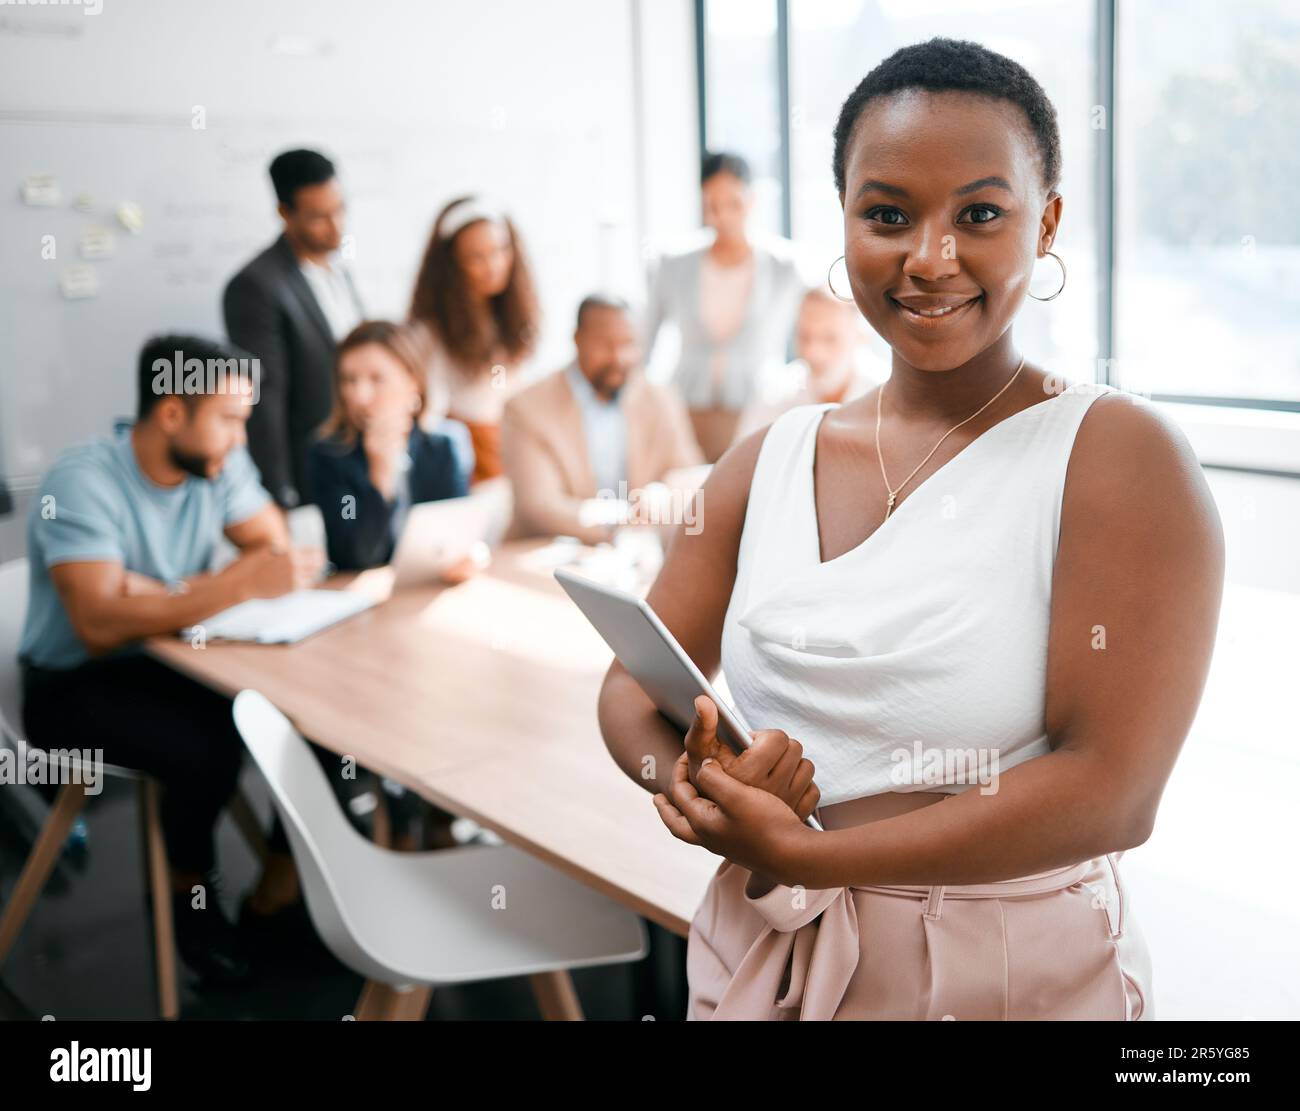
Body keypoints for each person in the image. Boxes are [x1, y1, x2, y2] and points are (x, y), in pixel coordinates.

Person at [599, 38, 1225, 1020]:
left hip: (1003, 974)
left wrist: (812, 852)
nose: (929, 259)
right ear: (843, 220)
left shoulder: (1118, 457)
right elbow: (630, 688)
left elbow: (1112, 792)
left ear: (1046, 222)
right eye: (887, 215)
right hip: (767, 952)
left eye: (979, 214)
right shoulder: (768, 458)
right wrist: (700, 782)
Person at [18, 334, 327, 984]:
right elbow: (99, 625)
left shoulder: (216, 464)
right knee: (205, 750)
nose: (241, 439)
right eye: (230, 419)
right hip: (69, 686)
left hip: (169, 658)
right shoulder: (82, 481)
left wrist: (165, 593)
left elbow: (274, 549)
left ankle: (279, 886)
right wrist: (229, 588)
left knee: (308, 715)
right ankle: (190, 896)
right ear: (171, 413)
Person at [500, 294, 704, 546]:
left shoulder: (660, 399)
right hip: (550, 551)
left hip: (638, 553)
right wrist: (621, 521)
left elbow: (688, 477)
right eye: (605, 345)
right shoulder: (527, 407)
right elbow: (539, 505)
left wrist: (660, 496)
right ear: (577, 340)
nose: (618, 357)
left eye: (628, 344)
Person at [642, 152, 807, 463]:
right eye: (712, 206)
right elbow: (644, 340)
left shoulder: (785, 267)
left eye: (734, 204)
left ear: (752, 200)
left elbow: (813, 332)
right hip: (687, 409)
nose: (723, 216)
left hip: (761, 407)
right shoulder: (672, 264)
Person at [223, 149, 364, 510]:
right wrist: (279, 492)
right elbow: (264, 398)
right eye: (319, 217)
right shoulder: (256, 286)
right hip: (308, 472)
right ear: (285, 213)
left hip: (355, 460)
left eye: (339, 209)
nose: (336, 226)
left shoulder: (341, 273)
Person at [307, 319, 481, 578]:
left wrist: (468, 555)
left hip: (427, 586)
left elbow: (456, 538)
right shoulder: (331, 457)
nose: (360, 396)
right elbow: (352, 557)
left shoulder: (445, 447)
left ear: (413, 381)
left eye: (377, 379)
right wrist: (380, 477)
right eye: (349, 380)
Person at [408, 195, 541, 483]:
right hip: (470, 462)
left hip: (514, 450)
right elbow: (430, 418)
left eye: (501, 250)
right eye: (476, 257)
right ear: (452, 264)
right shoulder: (430, 332)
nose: (494, 265)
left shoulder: (513, 316)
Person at [732, 286, 885, 444]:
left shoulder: (886, 396)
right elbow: (741, 454)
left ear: (861, 336)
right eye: (804, 336)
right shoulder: (775, 395)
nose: (813, 353)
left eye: (830, 338)